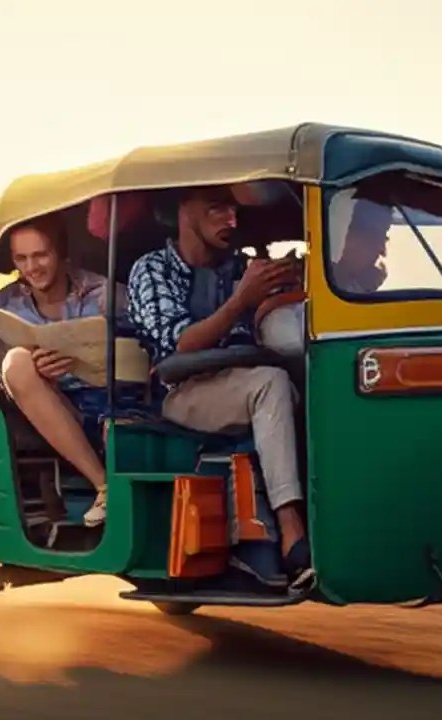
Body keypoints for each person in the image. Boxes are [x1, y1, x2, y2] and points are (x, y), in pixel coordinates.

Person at [126, 185, 314, 587]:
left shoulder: (238, 268)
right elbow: (176, 344)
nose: (231, 219)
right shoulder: (152, 269)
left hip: (241, 380)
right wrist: (241, 301)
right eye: (216, 209)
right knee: (271, 384)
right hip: (183, 393)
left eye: (233, 210)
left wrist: (290, 284)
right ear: (183, 210)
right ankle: (290, 527)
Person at [0, 213, 128, 527]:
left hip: (108, 399)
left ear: (61, 253)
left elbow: (143, 353)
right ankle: (104, 487)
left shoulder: (106, 295)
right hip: (54, 406)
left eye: (40, 255)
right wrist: (38, 371)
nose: (31, 267)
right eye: (21, 258)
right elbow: (1, 378)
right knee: (17, 363)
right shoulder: (5, 304)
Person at [329, 190, 393, 294]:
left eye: (384, 239)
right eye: (374, 238)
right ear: (350, 237)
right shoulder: (308, 281)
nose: (382, 251)